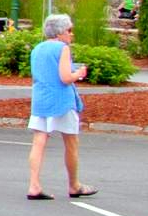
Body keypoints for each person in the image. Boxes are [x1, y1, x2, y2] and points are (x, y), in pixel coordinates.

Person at [27, 14, 97, 201]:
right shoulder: (62, 48)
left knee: (39, 141)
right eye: (69, 30)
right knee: (71, 142)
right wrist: (79, 73)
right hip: (61, 101)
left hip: (40, 99)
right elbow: (65, 78)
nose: (71, 34)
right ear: (59, 33)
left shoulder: (37, 49)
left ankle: (34, 184)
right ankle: (74, 184)